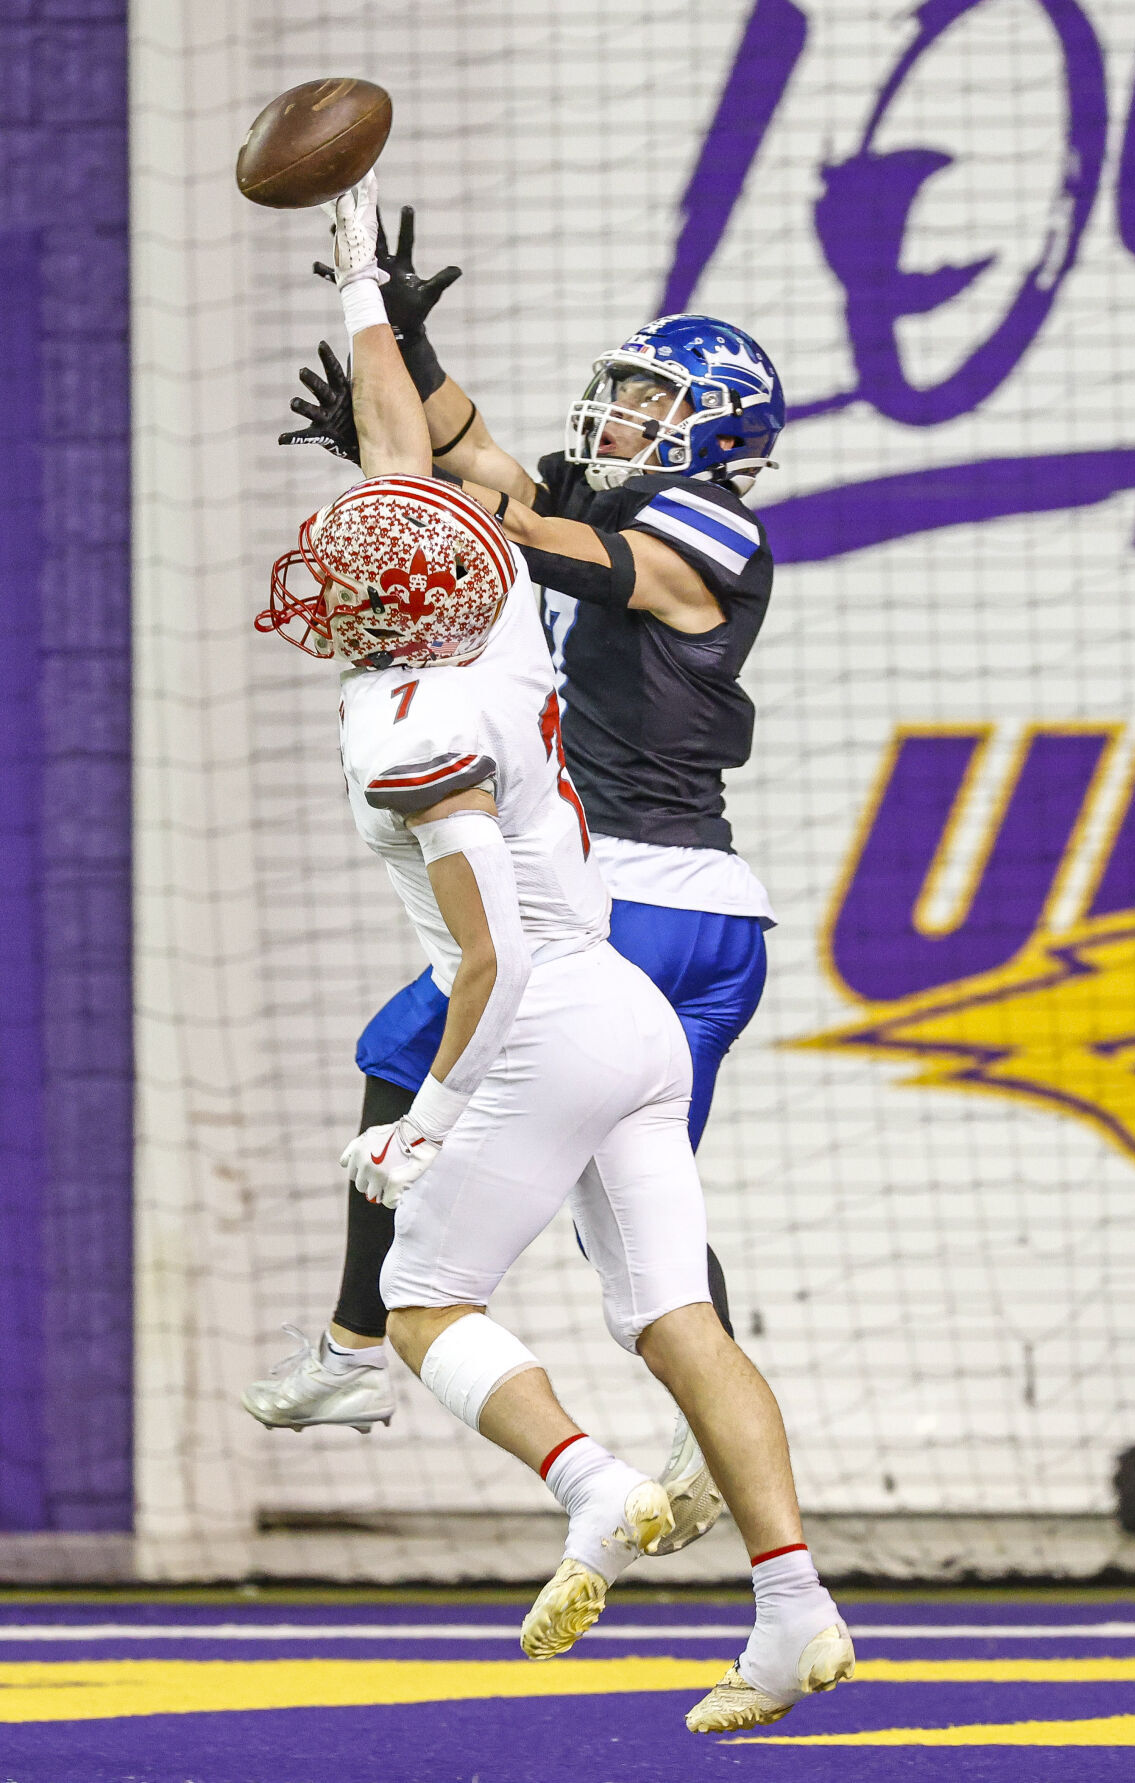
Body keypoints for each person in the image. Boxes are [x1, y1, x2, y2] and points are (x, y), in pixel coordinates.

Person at [256, 169, 853, 1735]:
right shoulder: (508, 614)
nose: (625, 417)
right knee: (649, 1286)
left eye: (656, 401)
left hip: (631, 905)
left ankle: (384, 1362)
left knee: (423, 1179)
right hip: (649, 945)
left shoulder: (634, 564)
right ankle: (782, 1590)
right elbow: (475, 480)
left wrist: (395, 389)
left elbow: (492, 511)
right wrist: (385, 327)